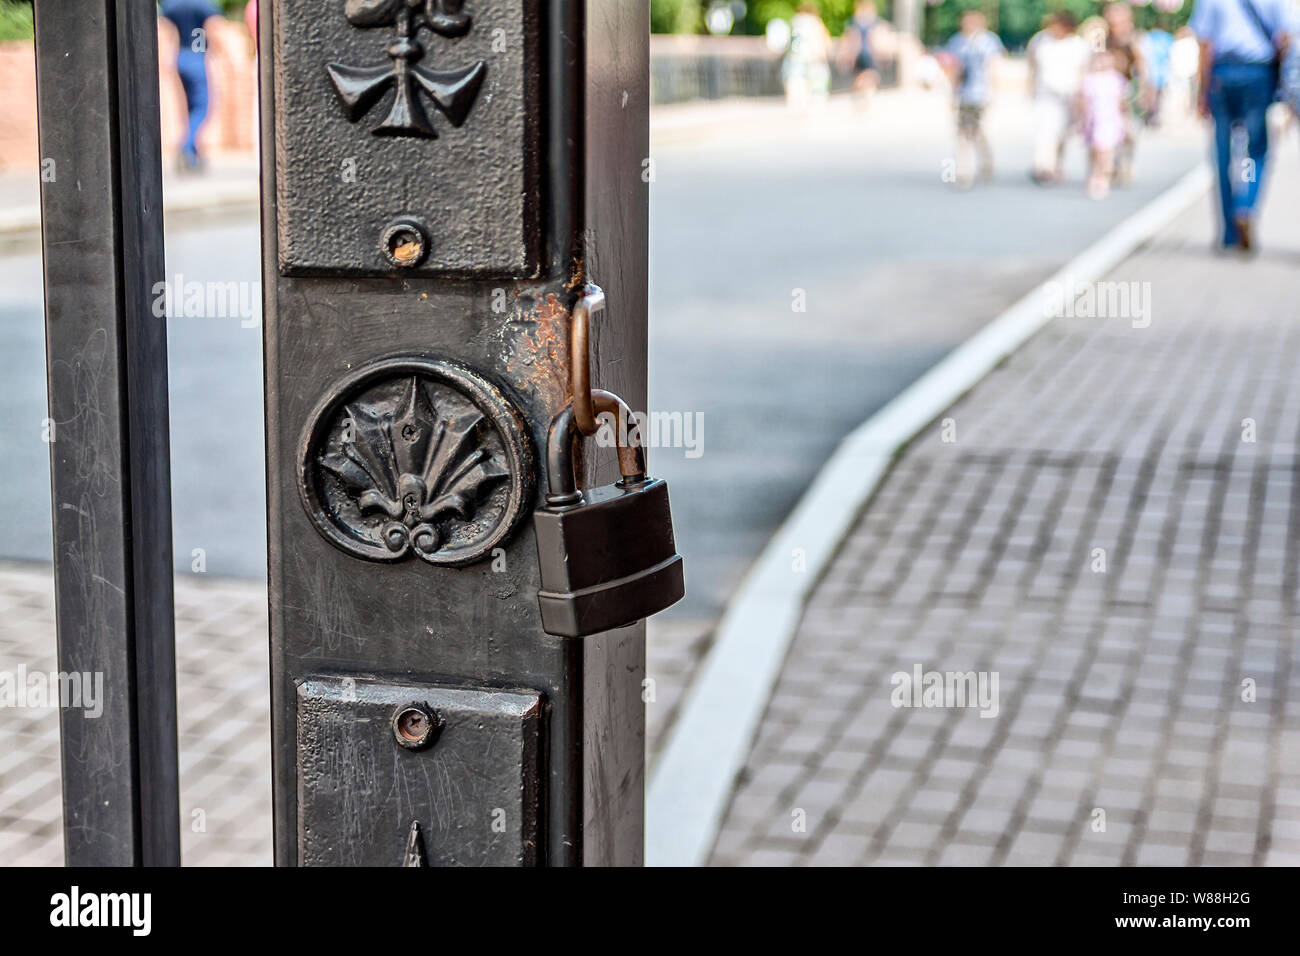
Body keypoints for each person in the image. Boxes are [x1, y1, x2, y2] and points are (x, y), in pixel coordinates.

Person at [1190, 0, 1293, 252]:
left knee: (1224, 153)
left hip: (1222, 75)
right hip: (1258, 73)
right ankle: (1244, 205)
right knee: (1253, 151)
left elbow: (1204, 45)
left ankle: (1228, 233)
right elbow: (1286, 38)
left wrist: (1202, 91)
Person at [944, 9, 1005, 188]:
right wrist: (951, 93)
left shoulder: (989, 41)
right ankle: (963, 171)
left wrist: (994, 93)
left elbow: (993, 68)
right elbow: (953, 69)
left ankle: (986, 163)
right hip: (964, 94)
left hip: (981, 93)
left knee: (978, 131)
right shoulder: (957, 42)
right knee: (962, 132)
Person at [161, 0, 223, 171]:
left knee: (189, 107)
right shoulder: (203, 4)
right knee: (203, 107)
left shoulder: (172, 4)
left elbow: (165, 28)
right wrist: (218, 51)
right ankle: (186, 146)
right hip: (197, 56)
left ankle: (194, 154)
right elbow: (213, 27)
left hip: (180, 56)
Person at [1027, 12, 1089, 184]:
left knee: (1062, 134)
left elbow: (1083, 71)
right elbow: (1032, 64)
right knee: (1046, 131)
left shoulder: (1078, 45)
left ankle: (1056, 164)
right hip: (1046, 94)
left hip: (1069, 95)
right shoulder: (1041, 41)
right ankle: (1043, 166)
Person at [1103, 3, 1147, 184]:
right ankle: (1110, 165)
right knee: (1109, 130)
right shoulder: (1104, 40)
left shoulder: (1134, 40)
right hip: (1109, 91)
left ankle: (1126, 163)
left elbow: (1143, 67)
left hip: (1129, 92)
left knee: (1129, 132)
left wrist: (1144, 92)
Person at [1080, 50, 1131, 199]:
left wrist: (1126, 121)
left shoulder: (1116, 80)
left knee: (1107, 151)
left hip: (1111, 120)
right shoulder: (1089, 80)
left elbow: (1123, 104)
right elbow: (1083, 102)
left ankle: (1104, 177)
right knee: (1096, 151)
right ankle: (1095, 174)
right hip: (1094, 121)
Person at [783, 4, 833, 110]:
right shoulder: (816, 22)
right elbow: (826, 44)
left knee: (795, 98)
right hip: (815, 62)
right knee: (817, 97)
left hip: (795, 62)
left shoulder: (794, 22)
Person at [840, 1, 881, 108]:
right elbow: (875, 39)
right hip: (868, 53)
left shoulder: (854, 21)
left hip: (858, 53)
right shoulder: (873, 20)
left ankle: (859, 95)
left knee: (859, 75)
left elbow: (852, 38)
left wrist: (850, 55)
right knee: (870, 75)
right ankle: (867, 97)